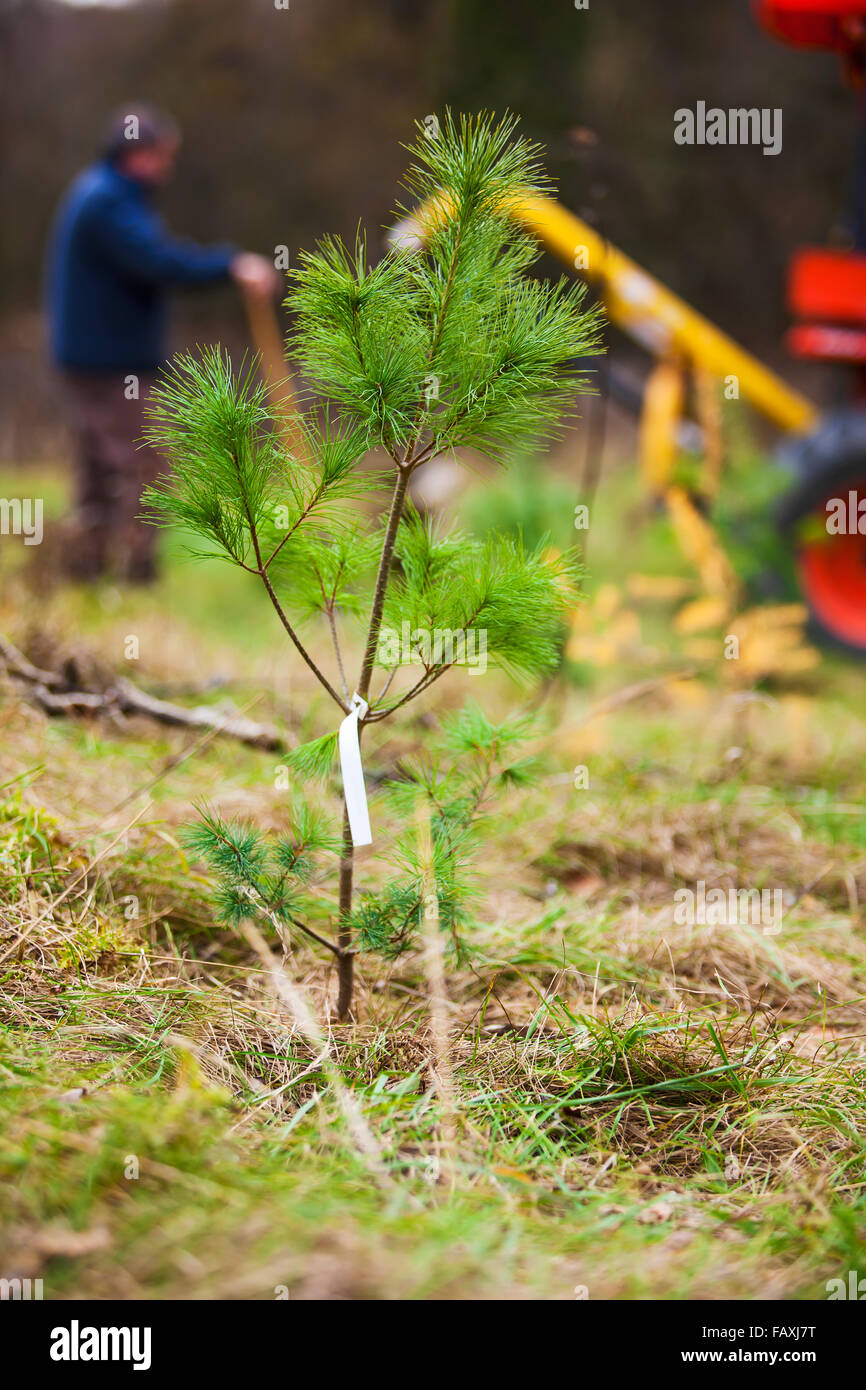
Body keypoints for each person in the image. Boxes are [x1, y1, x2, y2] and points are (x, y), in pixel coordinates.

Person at [46, 104, 279, 582]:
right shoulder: (110, 202)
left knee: (96, 472)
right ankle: (135, 577)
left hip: (87, 360)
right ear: (134, 154)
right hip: (112, 366)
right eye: (160, 156)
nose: (166, 168)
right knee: (146, 467)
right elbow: (160, 262)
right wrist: (232, 265)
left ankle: (84, 575)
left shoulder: (99, 192)